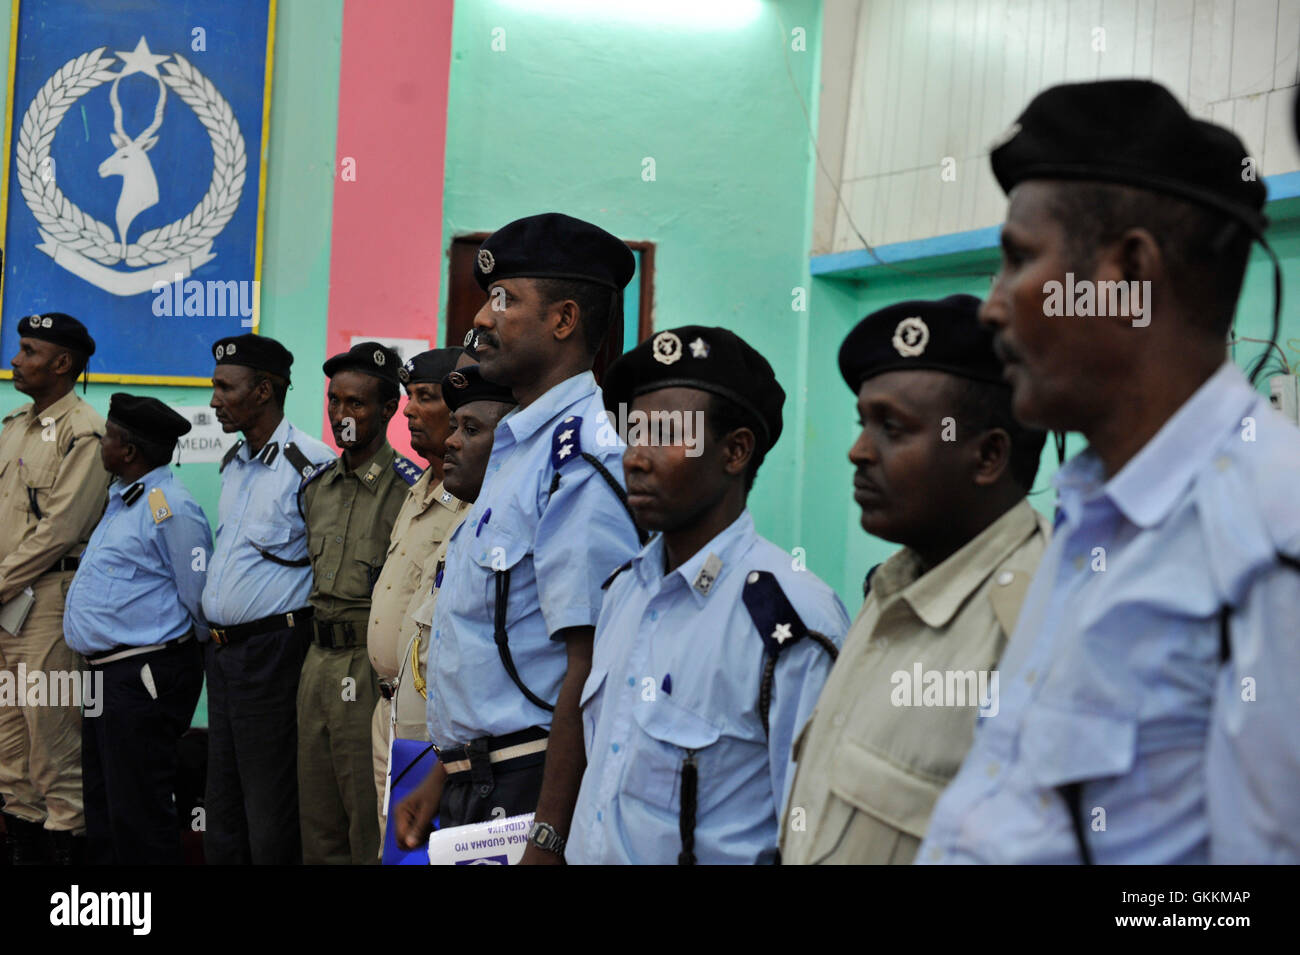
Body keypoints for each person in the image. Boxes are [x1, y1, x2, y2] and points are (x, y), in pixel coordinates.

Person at [918, 79, 1300, 864]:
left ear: (1125, 274)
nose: (992, 307)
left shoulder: (1267, 540)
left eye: (1018, 260)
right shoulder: (1095, 511)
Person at [394, 213, 642, 862]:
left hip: (531, 788)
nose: (480, 318)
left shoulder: (584, 458)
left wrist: (549, 835)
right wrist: (440, 775)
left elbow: (586, 669)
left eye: (504, 299)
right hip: (476, 783)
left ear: (563, 320)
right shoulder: (515, 450)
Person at [779, 295, 1049, 865]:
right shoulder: (892, 589)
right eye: (862, 422)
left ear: (988, 456)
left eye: (893, 428)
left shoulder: (1041, 623)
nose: (858, 451)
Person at [565, 326, 849, 865]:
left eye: (667, 433)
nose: (635, 458)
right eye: (634, 432)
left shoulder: (788, 620)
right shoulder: (625, 591)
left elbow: (816, 836)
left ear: (736, 450)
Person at [201, 333, 334, 865]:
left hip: (274, 655)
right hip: (224, 655)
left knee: (268, 808)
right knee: (223, 801)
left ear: (262, 390)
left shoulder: (312, 465)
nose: (214, 401)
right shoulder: (234, 463)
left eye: (224, 388)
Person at [64, 394, 211, 864]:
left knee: (138, 812)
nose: (101, 444)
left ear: (128, 451)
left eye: (107, 437)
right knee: (103, 806)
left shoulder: (169, 506)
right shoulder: (122, 501)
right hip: (103, 676)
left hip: (140, 676)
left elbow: (198, 595)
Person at [387, 363, 516, 852]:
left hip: (500, 765)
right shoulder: (465, 517)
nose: (452, 442)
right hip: (444, 753)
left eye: (471, 429)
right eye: (457, 427)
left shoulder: (512, 517)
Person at [298, 341, 418, 864]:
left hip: (368, 667)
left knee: (366, 816)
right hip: (315, 663)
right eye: (335, 402)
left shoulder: (409, 491)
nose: (342, 415)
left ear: (389, 408)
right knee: (316, 816)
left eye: (357, 404)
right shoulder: (315, 487)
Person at [0, 312, 110, 865]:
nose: (17, 360)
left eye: (29, 351)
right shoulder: (16, 423)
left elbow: (60, 530)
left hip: (45, 600)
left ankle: (70, 888)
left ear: (62, 363)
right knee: (9, 753)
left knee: (52, 747)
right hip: (5, 605)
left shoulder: (83, 432)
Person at [368, 347, 467, 845]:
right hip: (387, 708)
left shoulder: (473, 497)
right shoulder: (418, 486)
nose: (407, 409)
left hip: (431, 723)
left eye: (424, 397)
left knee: (420, 846)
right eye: (408, 397)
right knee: (391, 843)